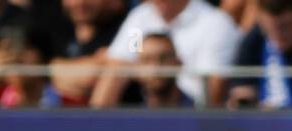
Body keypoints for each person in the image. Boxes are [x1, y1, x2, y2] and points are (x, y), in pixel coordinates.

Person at [91, 0, 240, 106]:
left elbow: (212, 93)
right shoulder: (140, 19)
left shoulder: (215, 23)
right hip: (146, 109)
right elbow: (120, 65)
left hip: (191, 116)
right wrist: (97, 125)